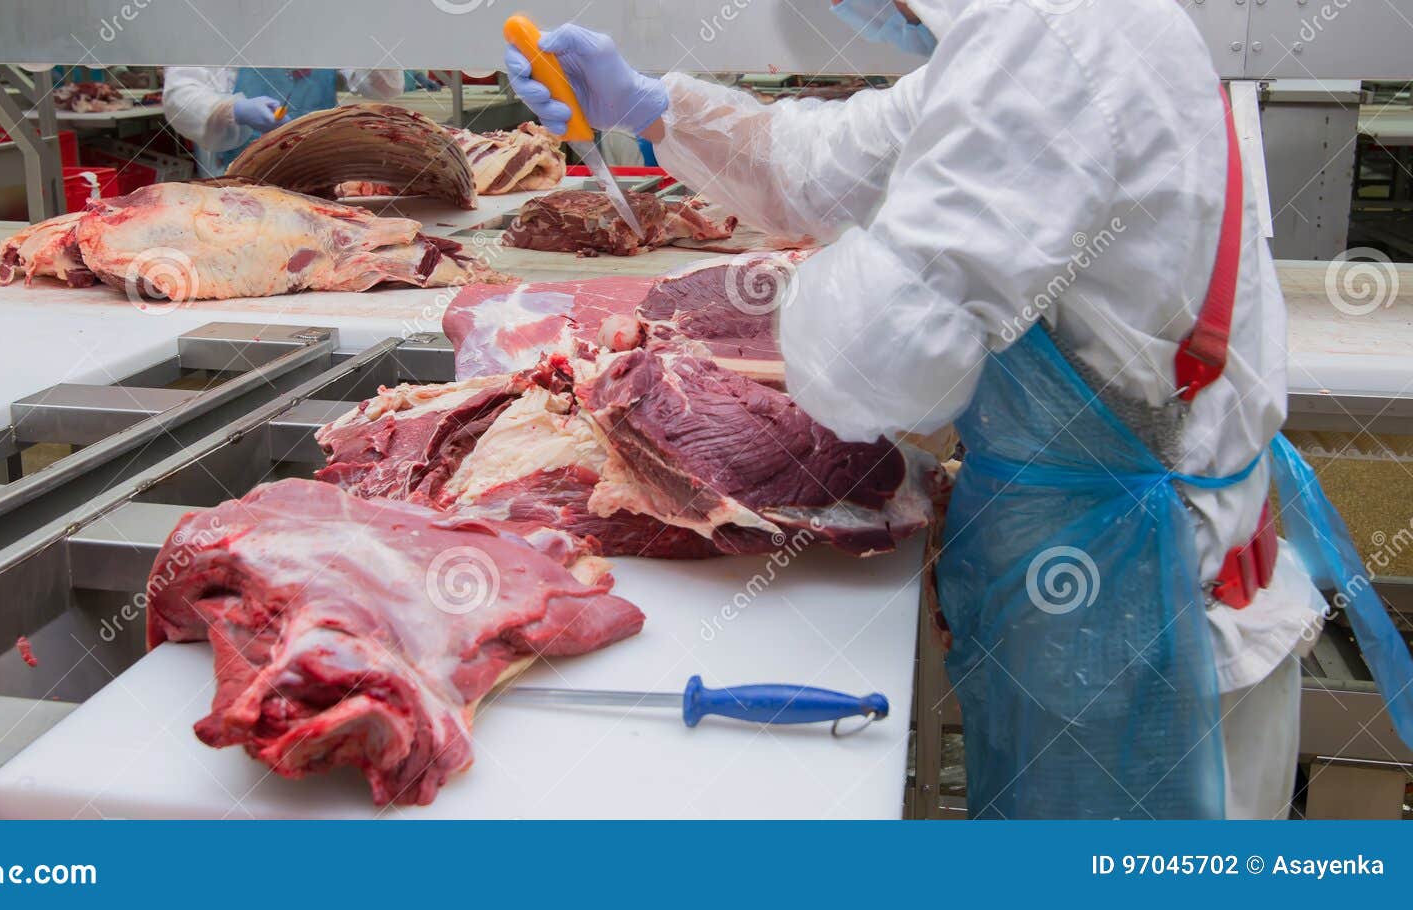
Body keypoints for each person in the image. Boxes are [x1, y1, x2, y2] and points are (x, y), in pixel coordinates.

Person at [504, 0, 1413, 819]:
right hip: (1110, 565)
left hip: (1141, 609)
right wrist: (649, 103)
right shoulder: (1037, 32)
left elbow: (880, 364)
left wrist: (784, 292)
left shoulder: (1050, 31)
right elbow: (824, 164)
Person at [163, 67, 403, 177]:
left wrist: (372, 26)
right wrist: (232, 110)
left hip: (318, 174)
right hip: (238, 179)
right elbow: (180, 98)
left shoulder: (323, 18)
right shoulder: (218, 15)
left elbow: (385, 87)